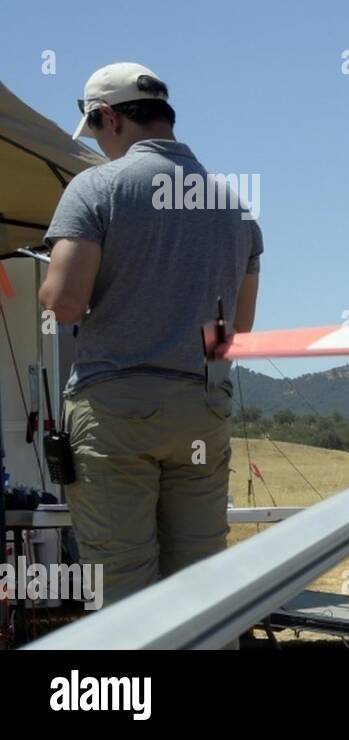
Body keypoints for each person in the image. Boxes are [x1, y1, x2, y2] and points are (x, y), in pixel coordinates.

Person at [40, 62, 262, 608]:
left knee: (121, 581)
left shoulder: (96, 187)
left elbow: (64, 301)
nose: (99, 143)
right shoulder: (235, 206)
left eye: (95, 131)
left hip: (117, 405)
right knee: (202, 577)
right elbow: (239, 327)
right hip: (202, 406)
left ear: (108, 117)